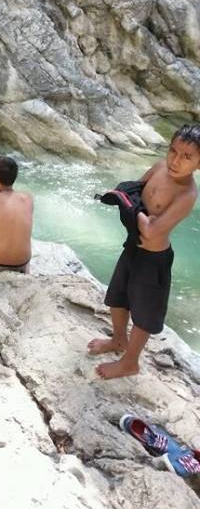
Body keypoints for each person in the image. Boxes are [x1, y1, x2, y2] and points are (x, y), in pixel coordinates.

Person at [88, 123, 200, 380]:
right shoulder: (160, 167)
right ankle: (118, 340)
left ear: (198, 164)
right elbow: (136, 188)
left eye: (187, 157)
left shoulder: (187, 193)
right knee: (118, 297)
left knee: (144, 312)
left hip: (154, 258)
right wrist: (120, 194)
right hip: (132, 247)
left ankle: (130, 362)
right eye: (173, 151)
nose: (175, 160)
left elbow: (153, 230)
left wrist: (130, 207)